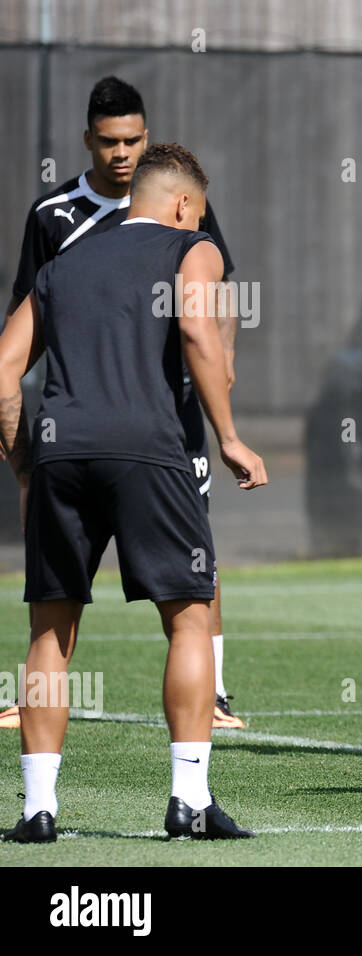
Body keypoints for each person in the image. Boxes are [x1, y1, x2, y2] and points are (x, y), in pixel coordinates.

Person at [0, 144, 267, 842]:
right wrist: (230, 436)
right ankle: (189, 802)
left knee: (49, 634)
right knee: (188, 617)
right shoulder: (193, 247)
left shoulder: (61, 266)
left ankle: (36, 810)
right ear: (183, 204)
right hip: (150, 451)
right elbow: (198, 329)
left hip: (63, 453)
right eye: (198, 213)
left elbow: (3, 371)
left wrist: (28, 464)